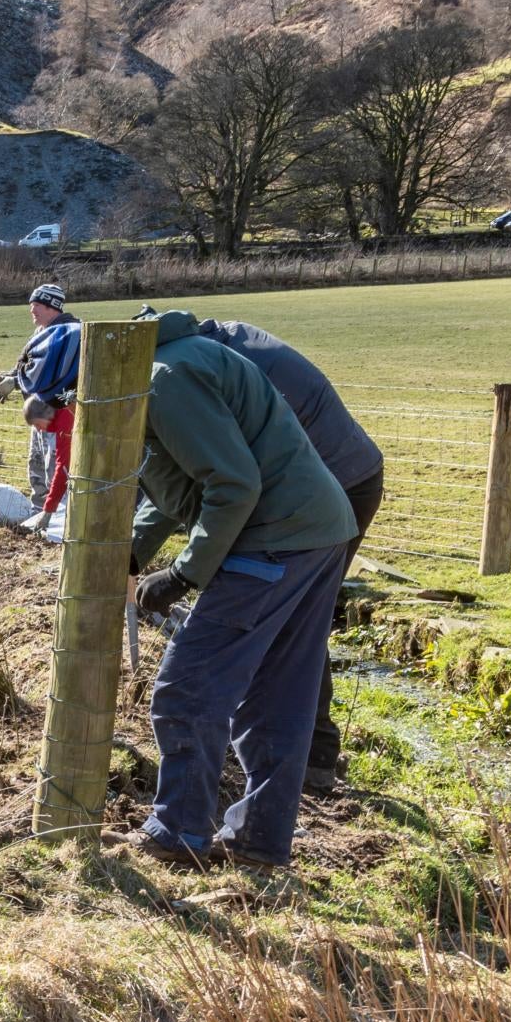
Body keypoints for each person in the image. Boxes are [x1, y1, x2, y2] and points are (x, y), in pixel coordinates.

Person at [118, 309, 362, 872]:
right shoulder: (175, 362)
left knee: (188, 685)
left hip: (273, 539)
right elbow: (181, 471)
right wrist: (137, 547)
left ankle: (177, 833)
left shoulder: (164, 381)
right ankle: (259, 843)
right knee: (277, 694)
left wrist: (183, 575)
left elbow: (232, 484)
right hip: (316, 531)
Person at [191, 316, 386, 797]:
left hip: (335, 486)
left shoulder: (221, 369)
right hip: (334, 476)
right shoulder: (221, 345)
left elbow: (239, 475)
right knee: (292, 621)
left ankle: (306, 760)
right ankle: (301, 756)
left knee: (293, 622)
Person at [4, 286, 81, 520]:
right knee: (36, 466)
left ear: (51, 306)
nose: (31, 310)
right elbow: (26, 368)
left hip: (58, 416)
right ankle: (38, 513)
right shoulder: (41, 332)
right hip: (40, 416)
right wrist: (8, 377)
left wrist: (15, 382)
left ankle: (58, 518)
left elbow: (47, 374)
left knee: (56, 467)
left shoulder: (65, 335)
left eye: (36, 305)